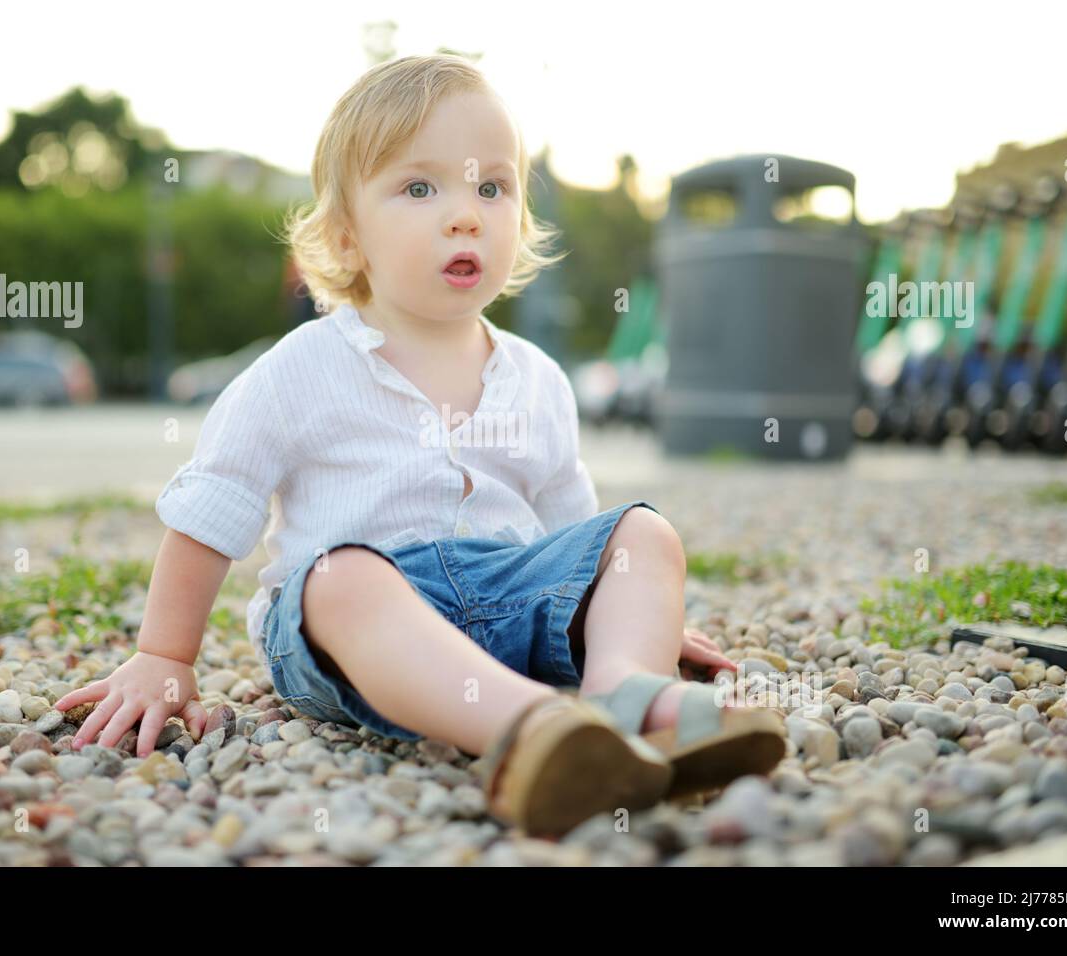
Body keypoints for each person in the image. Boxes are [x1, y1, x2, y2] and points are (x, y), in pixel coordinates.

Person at [54, 54, 784, 837]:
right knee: (340, 577)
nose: (465, 214)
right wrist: (166, 656)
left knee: (643, 534)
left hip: (507, 608)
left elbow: (574, 541)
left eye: (492, 188)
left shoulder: (537, 380)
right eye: (420, 188)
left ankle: (629, 693)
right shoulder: (302, 369)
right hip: (352, 629)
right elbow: (212, 507)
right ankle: (539, 729)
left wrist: (632, 614)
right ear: (347, 236)